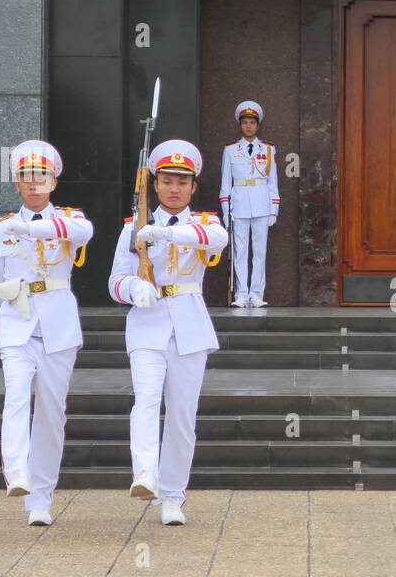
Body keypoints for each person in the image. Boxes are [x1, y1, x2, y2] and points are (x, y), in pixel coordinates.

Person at [109, 139, 228, 526]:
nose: (174, 188)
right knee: (145, 400)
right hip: (146, 324)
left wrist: (165, 235)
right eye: (166, 180)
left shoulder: (205, 223)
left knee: (181, 416)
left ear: (194, 187)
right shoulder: (134, 225)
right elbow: (114, 281)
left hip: (190, 326)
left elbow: (217, 242)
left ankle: (173, 494)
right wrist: (134, 289)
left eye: (182, 181)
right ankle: (145, 472)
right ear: (153, 184)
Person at [0, 140, 93, 527]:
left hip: (57, 326)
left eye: (41, 177)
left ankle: (41, 498)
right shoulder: (0, 231)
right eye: (26, 178)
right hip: (15, 323)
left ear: (54, 181)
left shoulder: (70, 221)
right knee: (16, 394)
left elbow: (84, 231)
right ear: (17, 184)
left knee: (52, 414)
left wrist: (28, 227)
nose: (34, 184)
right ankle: (18, 472)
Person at [220, 100, 279, 307]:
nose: (248, 126)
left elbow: (273, 182)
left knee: (260, 252)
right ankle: (241, 294)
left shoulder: (269, 149)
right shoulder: (230, 150)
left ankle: (256, 294)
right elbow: (226, 183)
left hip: (262, 204)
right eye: (245, 122)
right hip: (240, 205)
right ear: (240, 125)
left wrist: (274, 209)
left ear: (258, 125)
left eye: (252, 122)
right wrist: (226, 211)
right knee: (240, 252)